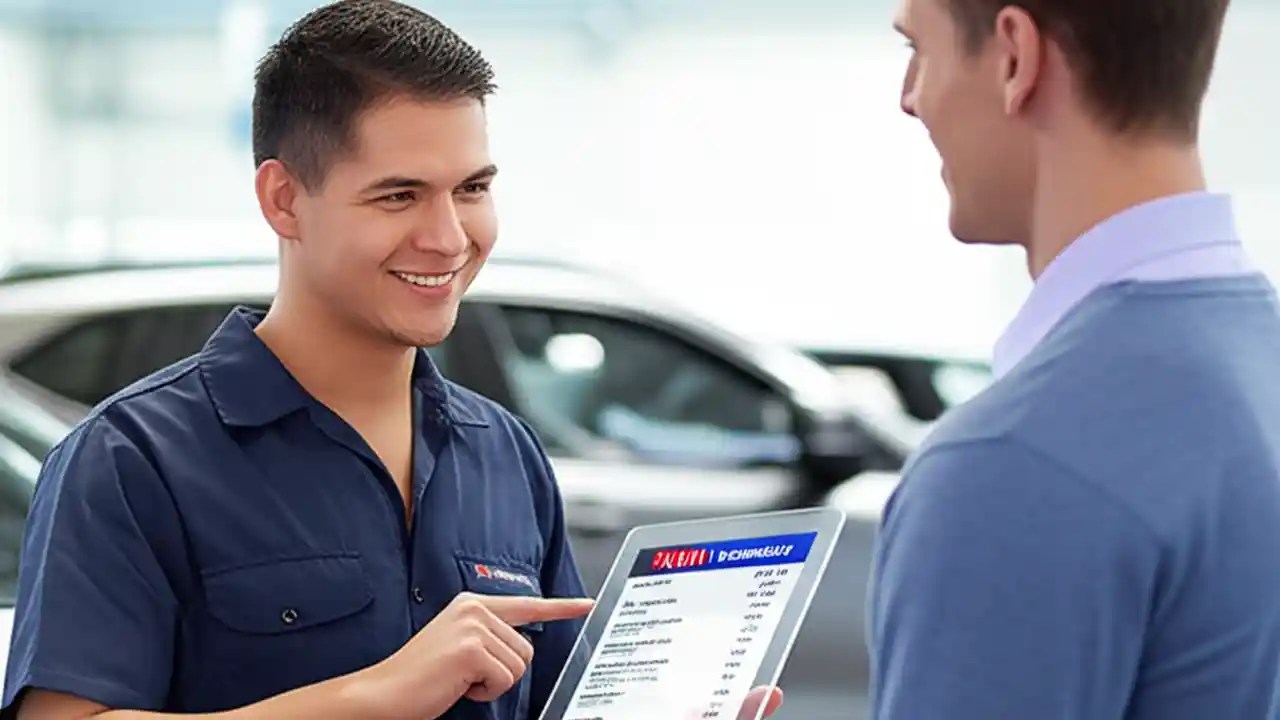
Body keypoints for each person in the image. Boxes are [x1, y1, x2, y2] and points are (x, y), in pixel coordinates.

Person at [0, 3, 783, 720]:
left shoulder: (505, 453)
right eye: (399, 195)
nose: (448, 237)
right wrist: (370, 698)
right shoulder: (129, 460)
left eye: (471, 188)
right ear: (282, 200)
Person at [870, 0, 1280, 718]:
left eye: (919, 50)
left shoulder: (1008, 463)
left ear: (1014, 58)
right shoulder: (1257, 360)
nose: (910, 98)